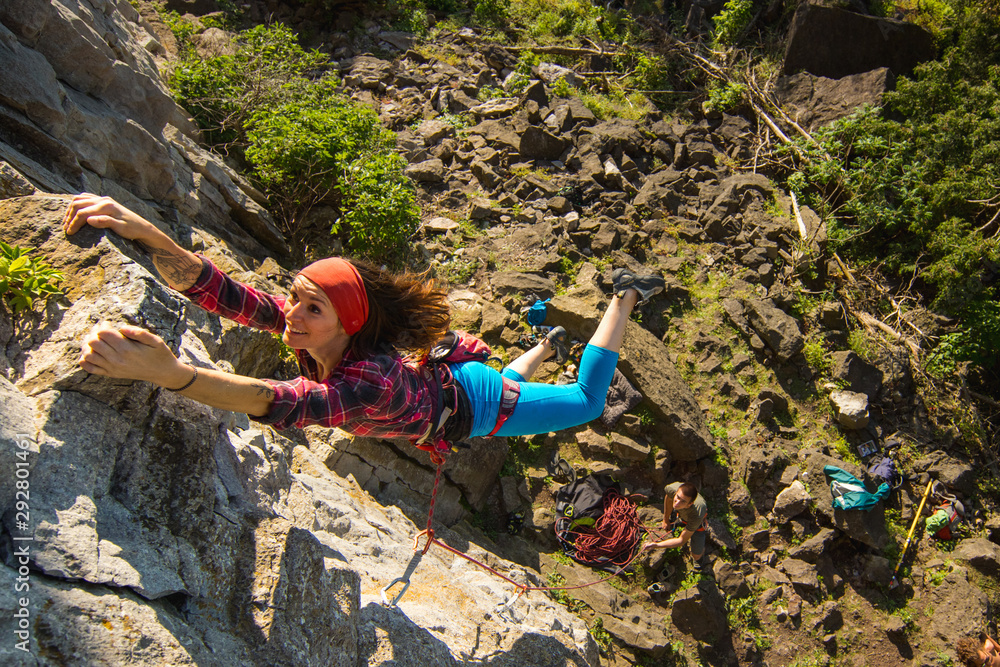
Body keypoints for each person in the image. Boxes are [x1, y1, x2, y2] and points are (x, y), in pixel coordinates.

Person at [64, 193, 665, 453]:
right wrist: (140, 229)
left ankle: (624, 297)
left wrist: (172, 373)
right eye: (294, 299)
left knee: (586, 403)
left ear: (343, 322)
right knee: (507, 382)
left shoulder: (368, 380)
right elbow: (222, 292)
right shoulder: (319, 328)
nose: (291, 315)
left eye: (310, 306)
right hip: (461, 390)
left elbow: (278, 401)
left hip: (474, 406)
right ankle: (546, 343)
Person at [643, 481, 708, 572]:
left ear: (690, 504)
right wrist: (665, 519)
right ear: (676, 492)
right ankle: (680, 516)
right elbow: (669, 498)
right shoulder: (671, 489)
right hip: (684, 513)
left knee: (696, 555)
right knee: (677, 507)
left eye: (683, 501)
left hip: (695, 521)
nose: (677, 503)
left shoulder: (697, 514)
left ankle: (701, 555)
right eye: (677, 497)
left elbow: (681, 540)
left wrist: (656, 545)